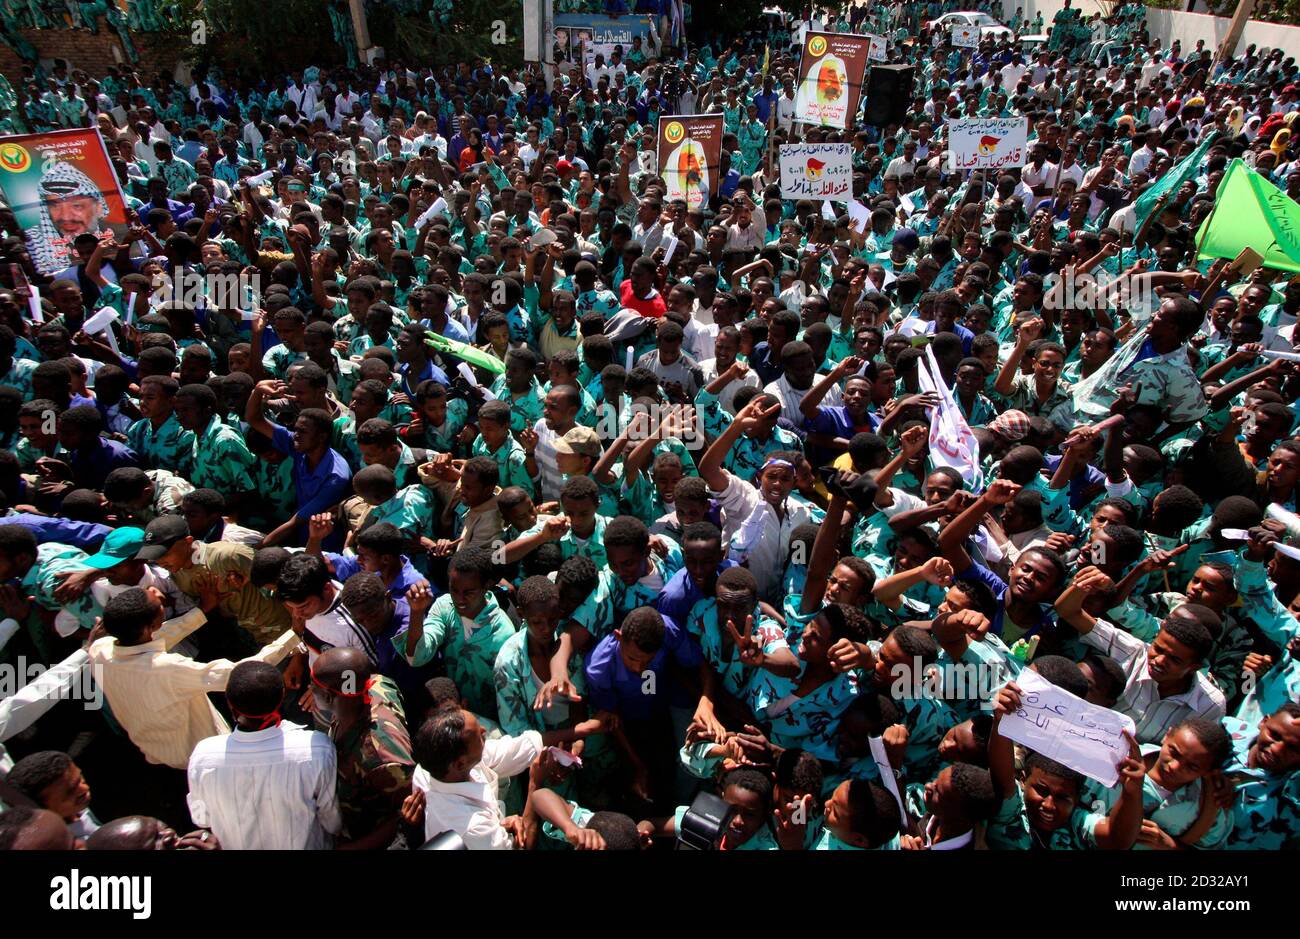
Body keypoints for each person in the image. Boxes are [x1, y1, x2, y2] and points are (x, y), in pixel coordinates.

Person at [186, 661, 341, 849]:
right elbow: (333, 822)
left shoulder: (203, 755)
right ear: (281, 698)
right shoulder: (316, 748)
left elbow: (201, 819)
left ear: (230, 704)